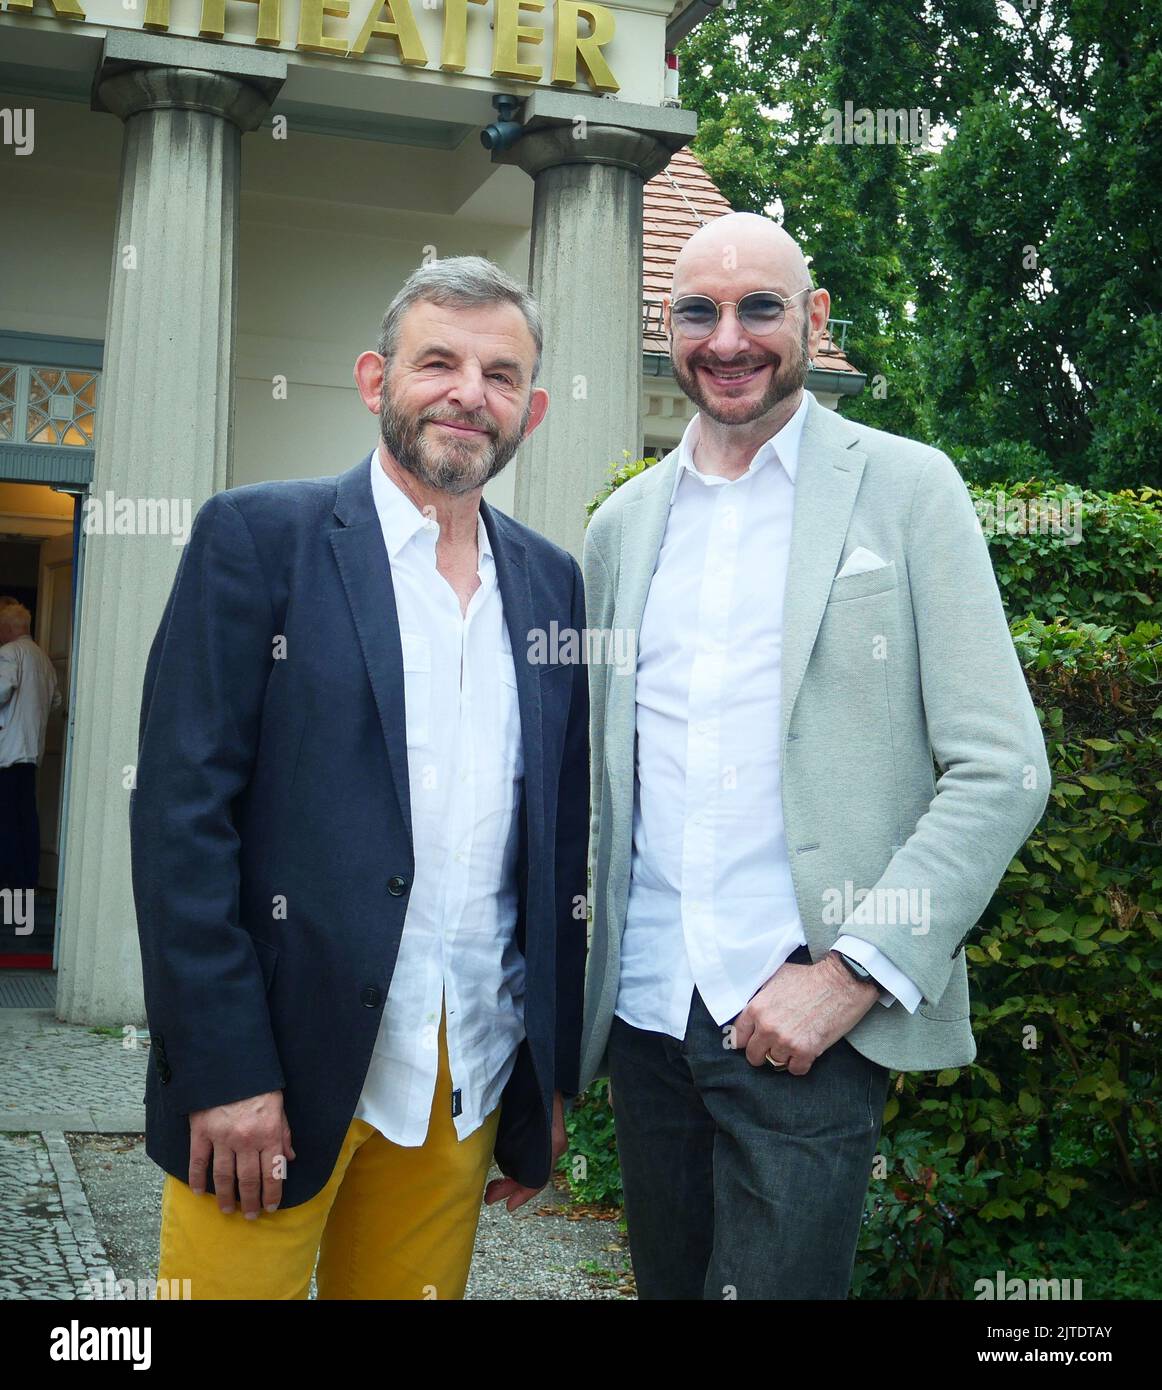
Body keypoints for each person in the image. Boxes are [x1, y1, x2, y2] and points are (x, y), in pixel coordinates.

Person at [580, 212, 1050, 1300]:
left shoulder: (908, 486)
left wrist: (849, 975)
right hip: (648, 1020)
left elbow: (1002, 766)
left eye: (760, 308)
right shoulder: (619, 527)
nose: (728, 338)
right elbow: (601, 787)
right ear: (667, 324)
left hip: (805, 1025)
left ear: (814, 318)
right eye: (698, 311)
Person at [130, 256, 588, 1300]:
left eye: (501, 375)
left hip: (463, 1065)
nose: (469, 394)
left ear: (533, 409)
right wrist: (224, 1066)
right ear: (376, 379)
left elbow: (559, 836)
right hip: (272, 1081)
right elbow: (179, 818)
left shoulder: (552, 583)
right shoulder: (259, 539)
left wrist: (544, 1073)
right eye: (440, 363)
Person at [0, 598, 62, 892]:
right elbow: (56, 701)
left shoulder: (10, 652)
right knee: (26, 817)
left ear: (8, 628)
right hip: (30, 750)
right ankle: (28, 882)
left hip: (7, 751)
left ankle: (12, 884)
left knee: (7, 818)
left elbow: (1, 689)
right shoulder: (42, 657)